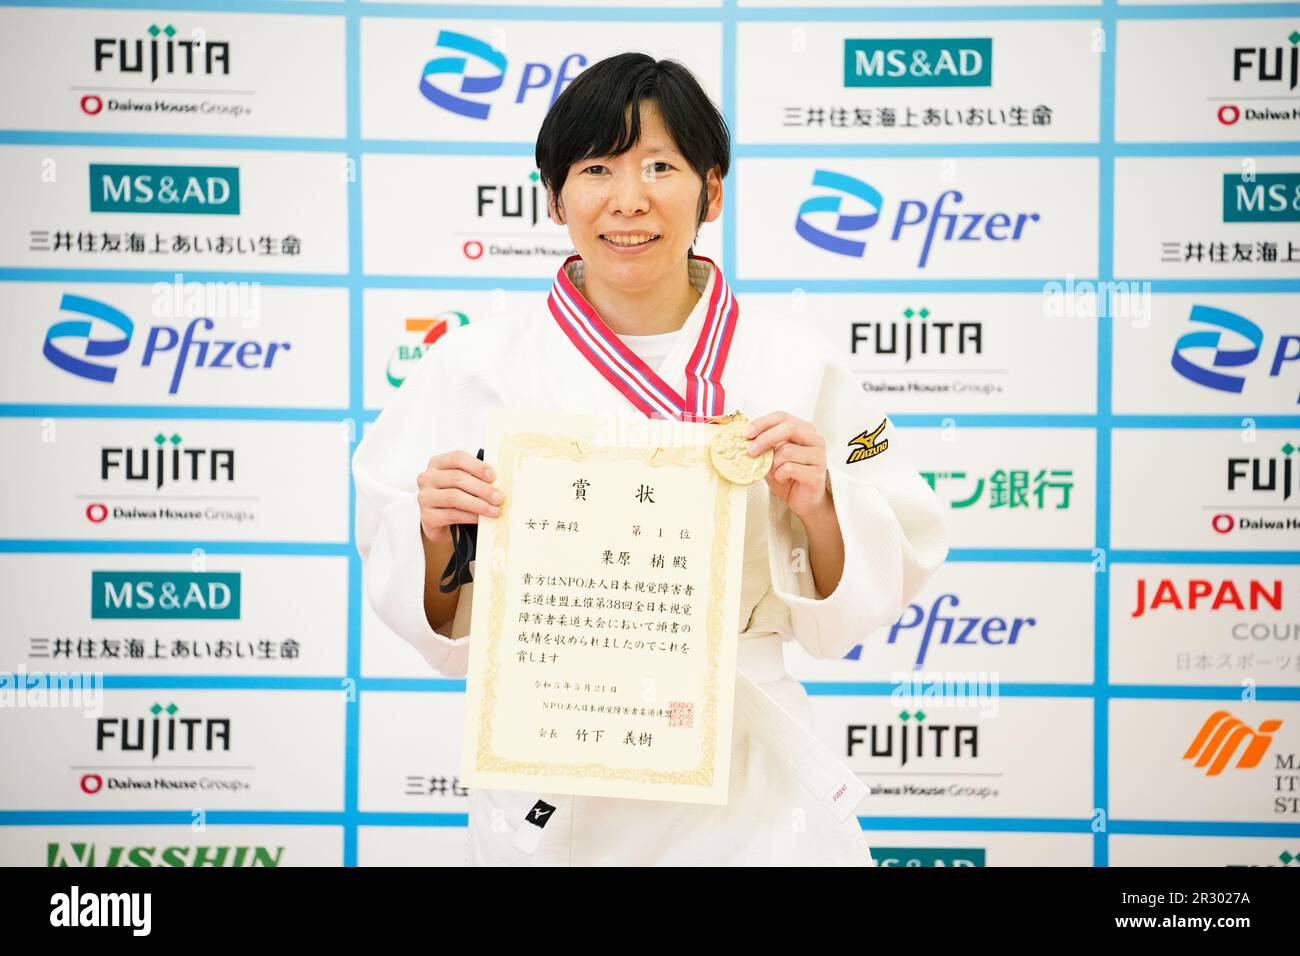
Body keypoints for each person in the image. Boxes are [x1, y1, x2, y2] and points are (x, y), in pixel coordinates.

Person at [352, 53, 949, 866]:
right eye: (596, 168)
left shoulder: (802, 364)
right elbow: (415, 586)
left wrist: (825, 503)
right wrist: (430, 530)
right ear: (555, 195)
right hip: (555, 757)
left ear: (712, 188)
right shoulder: (472, 366)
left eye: (660, 166)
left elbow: (895, 533)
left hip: (745, 779)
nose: (628, 199)